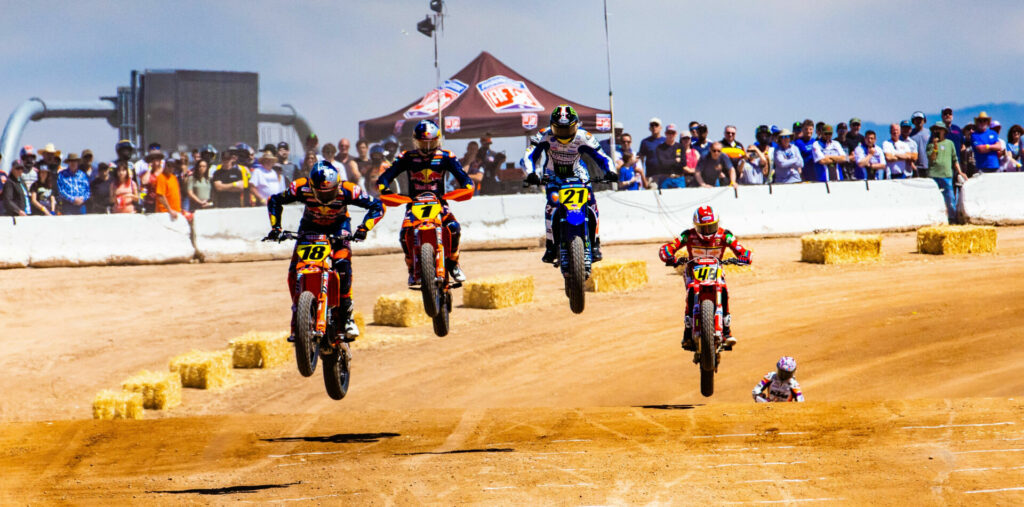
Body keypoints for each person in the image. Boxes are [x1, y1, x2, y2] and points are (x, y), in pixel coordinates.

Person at [266, 161, 384, 342]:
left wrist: (363, 228)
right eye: (321, 192)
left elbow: (377, 206)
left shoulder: (349, 190)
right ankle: (300, 314)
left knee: (343, 266)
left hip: (339, 228)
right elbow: (274, 200)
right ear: (312, 187)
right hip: (309, 228)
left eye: (330, 191)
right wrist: (276, 228)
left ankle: (347, 318)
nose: (326, 196)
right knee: (293, 271)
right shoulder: (300, 187)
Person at [378, 119, 475, 283]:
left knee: (454, 228)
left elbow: (464, 179)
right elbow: (383, 179)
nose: (428, 148)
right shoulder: (406, 157)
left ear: (438, 140)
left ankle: (453, 263)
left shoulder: (446, 156)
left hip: (439, 203)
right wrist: (386, 191)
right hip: (414, 204)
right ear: (416, 142)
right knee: (404, 235)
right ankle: (411, 268)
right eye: (424, 144)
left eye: (432, 143)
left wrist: (465, 187)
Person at [521, 105, 617, 264]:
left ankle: (595, 244)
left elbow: (602, 157)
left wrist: (611, 171)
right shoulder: (543, 135)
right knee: (551, 205)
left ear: (577, 125)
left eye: (568, 129)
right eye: (559, 130)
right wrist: (531, 174)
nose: (564, 134)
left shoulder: (584, 136)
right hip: (553, 176)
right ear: (551, 126)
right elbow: (528, 156)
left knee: (591, 204)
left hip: (579, 176)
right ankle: (550, 245)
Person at [658, 205, 751, 349]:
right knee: (690, 293)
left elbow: (743, 251)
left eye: (711, 227)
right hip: (693, 269)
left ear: (717, 223)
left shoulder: (725, 235)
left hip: (715, 269)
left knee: (724, 291)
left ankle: (726, 331)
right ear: (696, 226)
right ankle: (687, 333)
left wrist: (744, 258)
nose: (707, 232)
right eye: (703, 228)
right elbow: (666, 248)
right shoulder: (688, 235)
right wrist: (669, 257)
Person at [927, 122, 965, 224]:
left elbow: (954, 159)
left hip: (947, 174)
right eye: (935, 129)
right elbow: (931, 158)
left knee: (950, 198)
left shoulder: (950, 143)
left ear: (944, 131)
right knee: (934, 199)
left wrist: (960, 172)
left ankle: (952, 218)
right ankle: (935, 219)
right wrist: (935, 146)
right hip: (933, 174)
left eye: (939, 129)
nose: (937, 131)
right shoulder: (930, 144)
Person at [909, 112, 930, 177]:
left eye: (920, 119)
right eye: (916, 119)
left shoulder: (929, 133)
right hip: (915, 167)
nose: (919, 121)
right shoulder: (909, 134)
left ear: (924, 121)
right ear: (913, 121)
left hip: (928, 166)